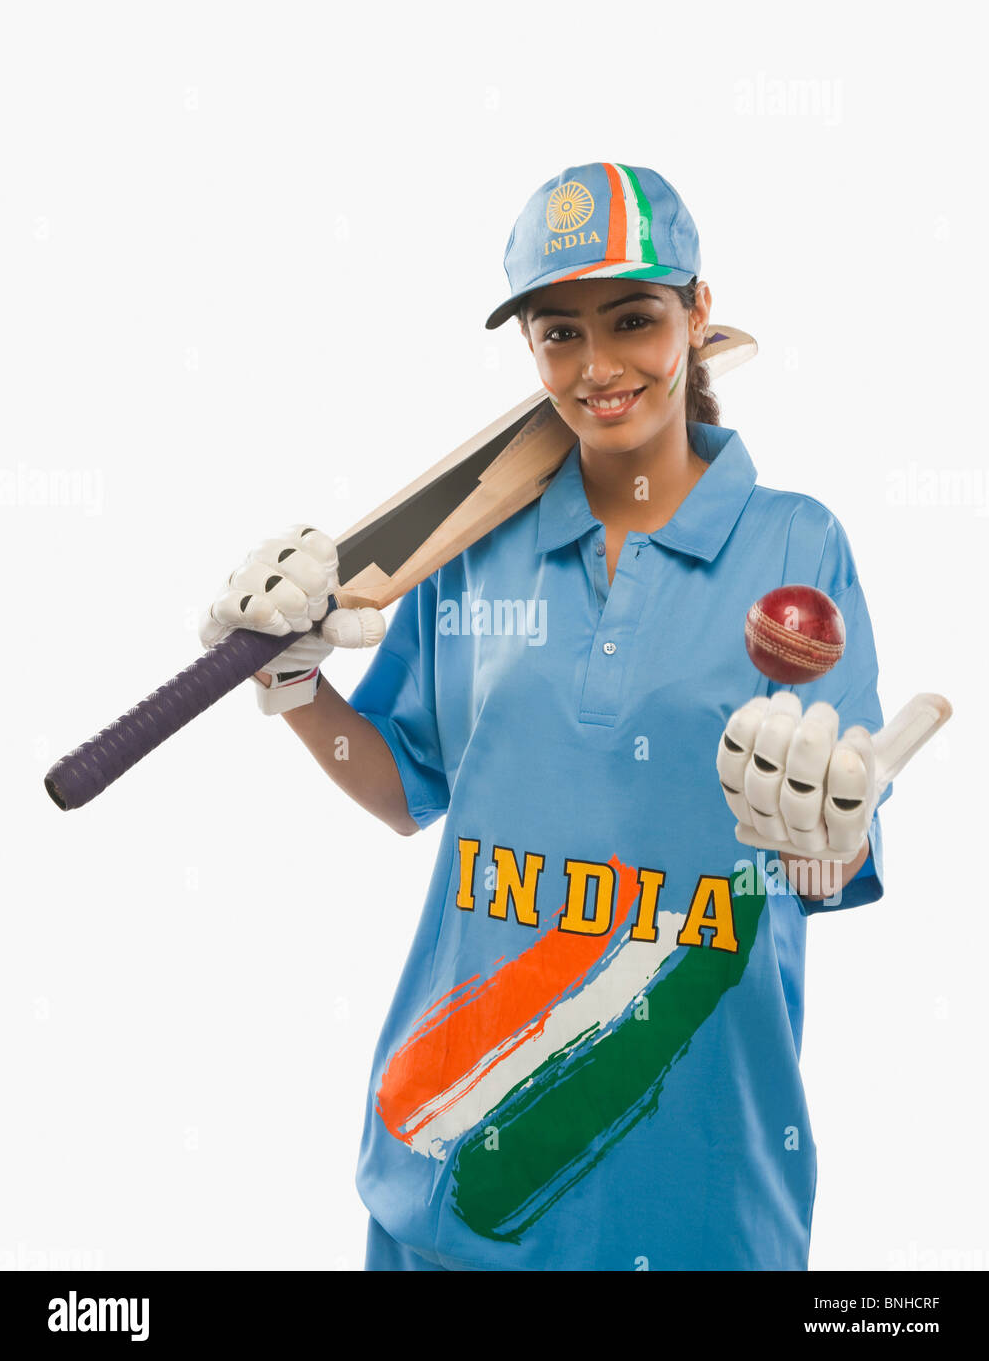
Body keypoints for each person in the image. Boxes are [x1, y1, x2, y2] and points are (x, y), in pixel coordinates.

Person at [200, 163, 890, 1272]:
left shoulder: (795, 548)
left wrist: (823, 825)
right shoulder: (470, 547)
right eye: (557, 333)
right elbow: (402, 786)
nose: (598, 364)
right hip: (442, 1177)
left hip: (699, 1202)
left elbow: (828, 863)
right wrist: (291, 686)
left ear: (697, 313)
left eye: (632, 320)